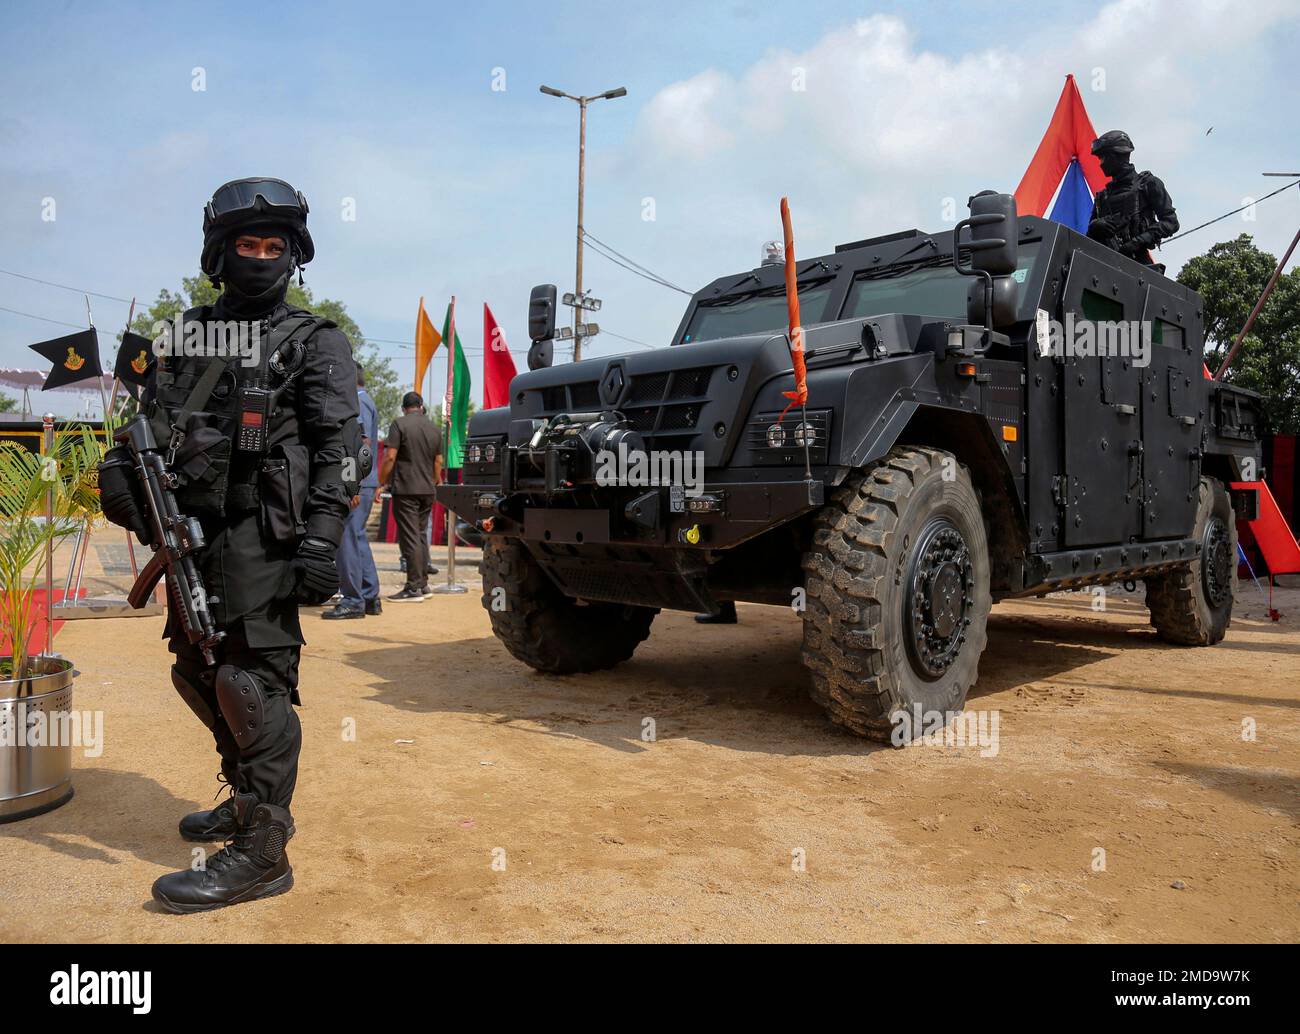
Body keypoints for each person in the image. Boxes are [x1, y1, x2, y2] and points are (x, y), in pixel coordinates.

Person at [98, 177, 358, 912]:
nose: (262, 257)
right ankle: (244, 797)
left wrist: (323, 540)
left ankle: (263, 848)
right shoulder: (184, 334)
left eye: (275, 247)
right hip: (187, 533)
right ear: (221, 252)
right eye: (248, 244)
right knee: (196, 669)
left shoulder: (317, 341)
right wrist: (118, 475)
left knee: (251, 683)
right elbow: (142, 427)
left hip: (263, 534)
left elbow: (343, 450)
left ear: (294, 257)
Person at [324, 366, 381, 619]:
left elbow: (361, 444)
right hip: (366, 481)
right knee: (357, 539)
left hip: (357, 482)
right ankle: (369, 597)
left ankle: (352, 600)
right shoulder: (366, 400)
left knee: (347, 540)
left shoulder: (357, 402)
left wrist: (351, 484)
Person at [380, 391, 441, 601]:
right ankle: (423, 585)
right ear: (421, 406)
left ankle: (413, 587)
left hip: (406, 489)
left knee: (410, 537)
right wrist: (435, 480)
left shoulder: (399, 424)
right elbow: (438, 462)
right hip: (427, 489)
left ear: (404, 408)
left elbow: (389, 457)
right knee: (421, 535)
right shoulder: (434, 427)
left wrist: (381, 482)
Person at [1086, 130, 1179, 266]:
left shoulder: (1148, 184)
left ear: (1116, 156)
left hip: (1139, 265)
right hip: (1106, 264)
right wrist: (1094, 226)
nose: (1100, 164)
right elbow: (1088, 240)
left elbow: (1171, 222)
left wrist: (1138, 242)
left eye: (1103, 158)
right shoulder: (1103, 197)